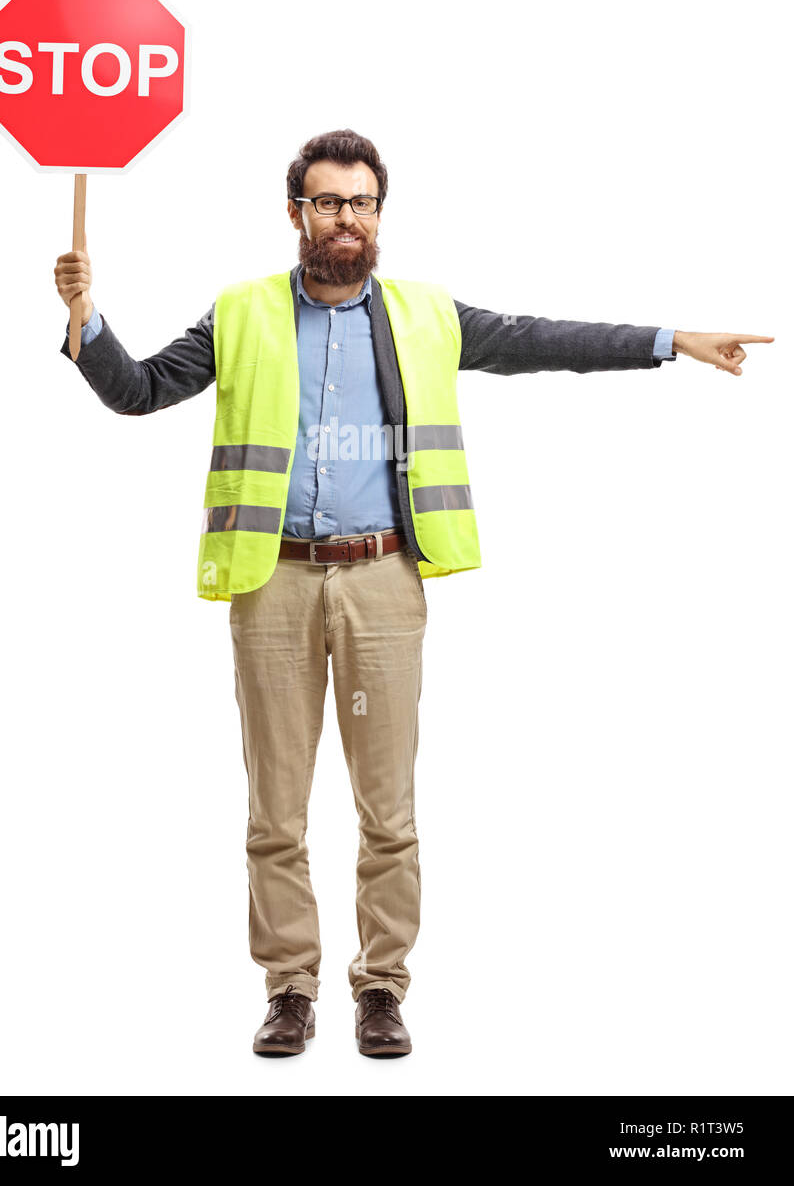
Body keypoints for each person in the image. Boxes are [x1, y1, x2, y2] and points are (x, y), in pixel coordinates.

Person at [55, 128, 773, 1058]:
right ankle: (290, 987)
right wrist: (87, 319)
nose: (345, 218)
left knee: (387, 807)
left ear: (379, 215)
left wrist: (669, 341)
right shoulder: (239, 314)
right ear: (296, 215)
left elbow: (541, 341)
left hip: (387, 581)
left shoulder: (426, 315)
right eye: (327, 202)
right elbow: (139, 392)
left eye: (361, 202)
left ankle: (382, 987)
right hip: (270, 583)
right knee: (276, 806)